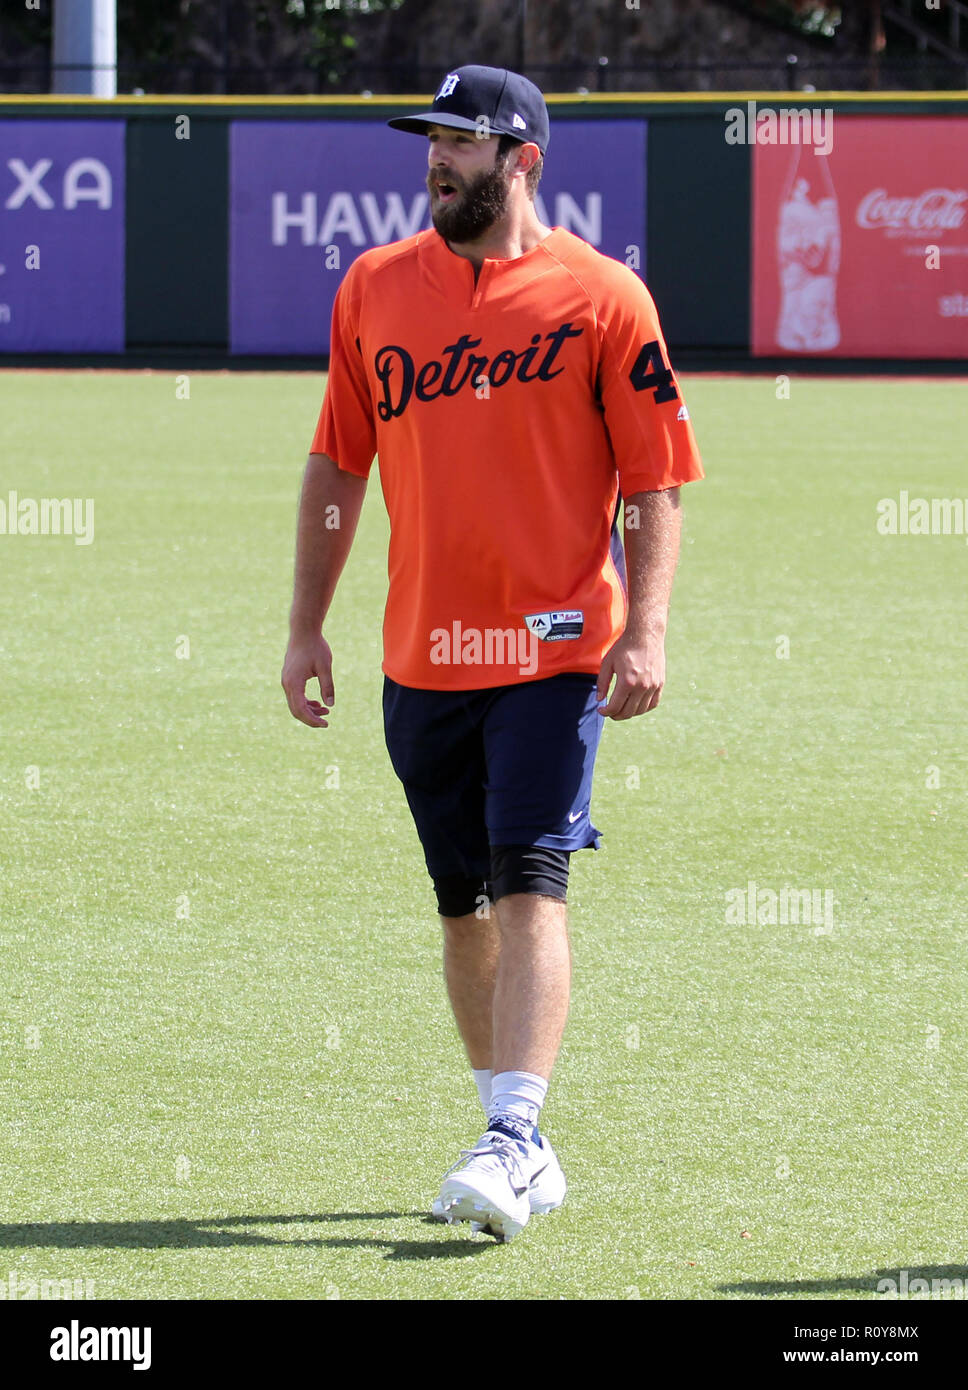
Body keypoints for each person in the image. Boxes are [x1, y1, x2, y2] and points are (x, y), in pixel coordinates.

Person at [281, 64, 704, 1242]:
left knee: (529, 884)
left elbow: (654, 476)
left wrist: (648, 628)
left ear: (521, 159)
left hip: (553, 646)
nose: (435, 161)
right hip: (419, 654)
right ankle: (513, 1134)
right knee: (460, 904)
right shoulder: (372, 287)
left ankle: (512, 1133)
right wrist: (306, 621)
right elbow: (337, 462)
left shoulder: (603, 296)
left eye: (460, 143)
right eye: (430, 141)